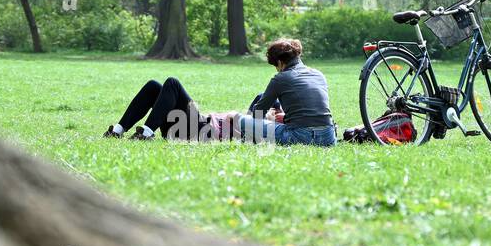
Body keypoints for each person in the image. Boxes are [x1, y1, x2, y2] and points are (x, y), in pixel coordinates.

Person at [229, 38, 336, 146]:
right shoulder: (318, 74)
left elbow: (258, 113)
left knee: (235, 117)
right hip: (328, 137)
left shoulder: (281, 78)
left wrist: (269, 117)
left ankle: (243, 136)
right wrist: (285, 117)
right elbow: (314, 110)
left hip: (299, 135)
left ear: (280, 62)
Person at [104, 76, 282, 141]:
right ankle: (118, 130)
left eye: (275, 113)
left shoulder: (261, 130)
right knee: (153, 86)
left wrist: (275, 118)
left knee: (173, 83)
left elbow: (252, 128)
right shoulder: (252, 117)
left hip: (202, 131)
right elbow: (262, 99)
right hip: (197, 123)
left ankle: (146, 133)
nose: (273, 112)